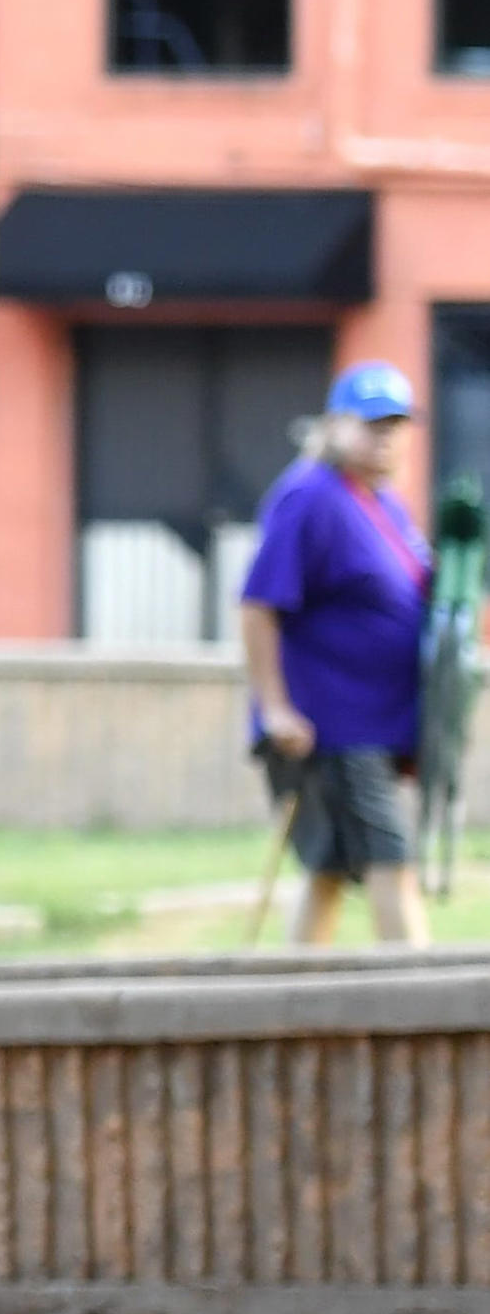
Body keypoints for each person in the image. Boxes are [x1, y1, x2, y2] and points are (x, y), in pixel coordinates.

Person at [245, 361, 439, 948]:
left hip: (375, 725)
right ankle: (423, 997)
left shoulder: (383, 502)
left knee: (326, 874)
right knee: (392, 863)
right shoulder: (309, 497)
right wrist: (275, 708)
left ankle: (294, 992)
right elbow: (259, 605)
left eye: (395, 424)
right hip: (329, 728)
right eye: (371, 423)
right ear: (333, 425)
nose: (385, 437)